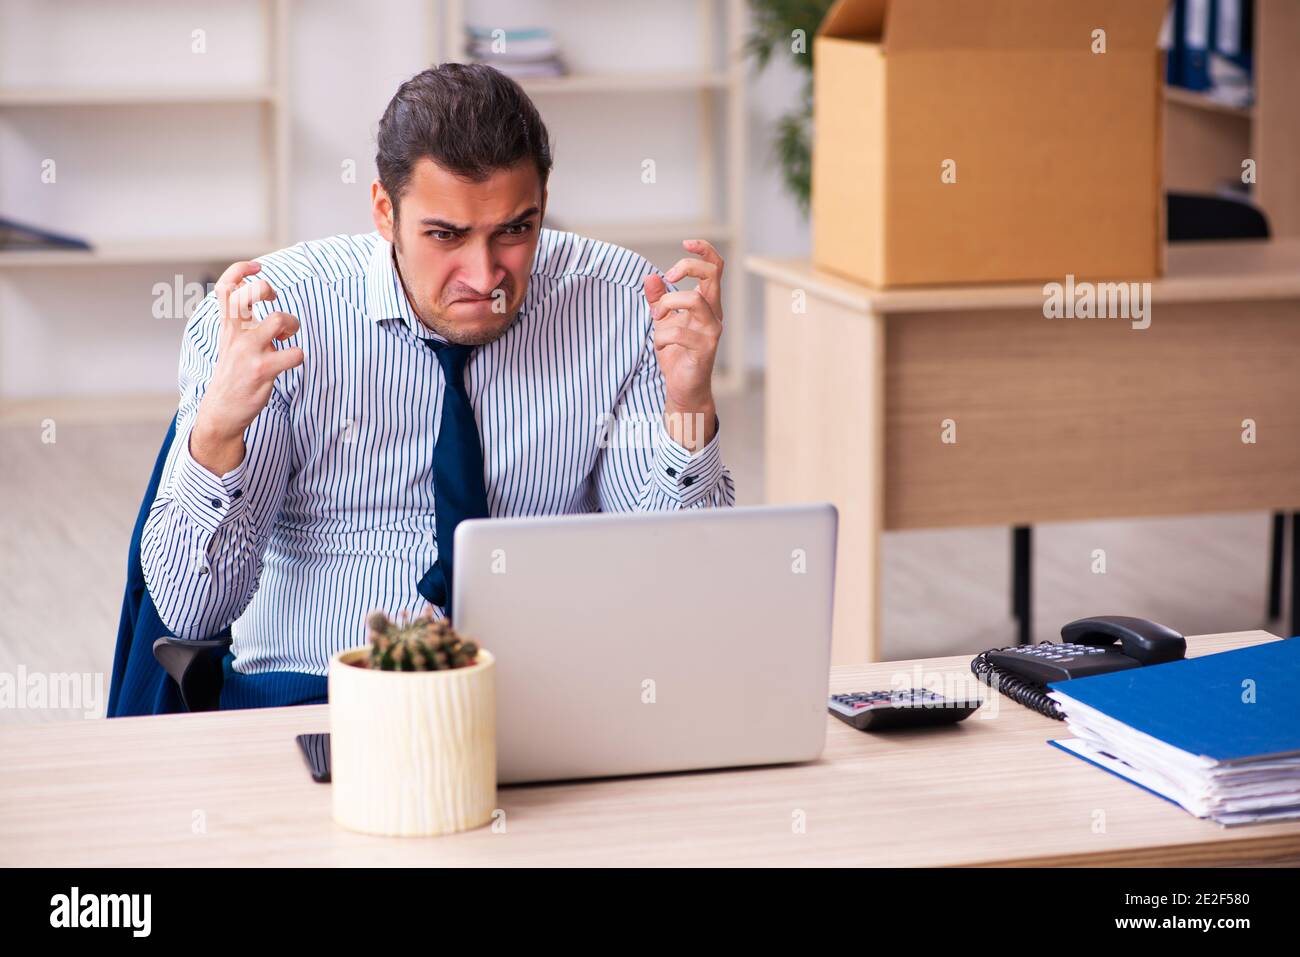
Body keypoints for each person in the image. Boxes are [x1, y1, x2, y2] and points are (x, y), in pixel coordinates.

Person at [140, 63, 735, 681]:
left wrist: (688, 402)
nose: (483, 277)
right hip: (324, 697)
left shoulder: (619, 302)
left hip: (544, 692)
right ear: (383, 211)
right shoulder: (270, 318)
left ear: (544, 204)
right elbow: (190, 611)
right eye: (445, 235)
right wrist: (215, 437)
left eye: (515, 230)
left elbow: (674, 579)